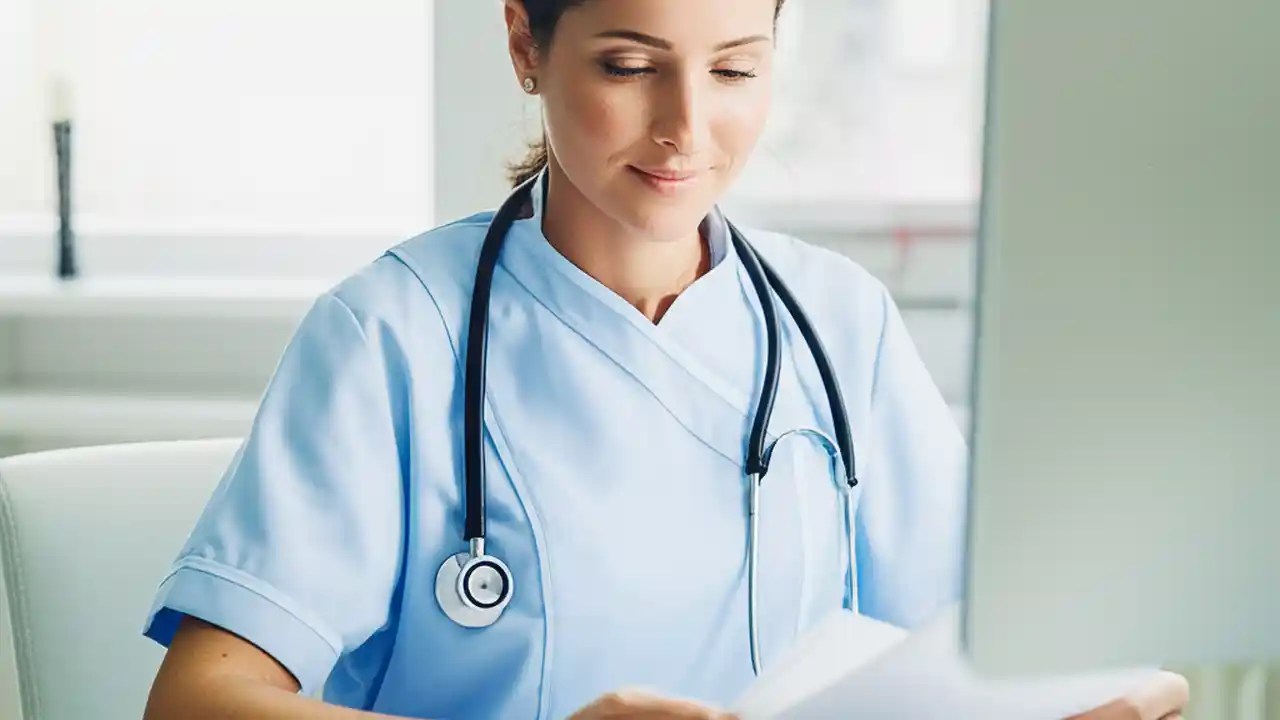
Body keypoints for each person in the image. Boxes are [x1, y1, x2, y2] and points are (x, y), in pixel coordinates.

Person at [140, 1, 1189, 718]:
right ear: (524, 43)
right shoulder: (389, 335)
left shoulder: (838, 322)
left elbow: (979, 643)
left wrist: (1071, 693)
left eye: (735, 67)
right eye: (629, 66)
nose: (688, 126)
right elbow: (197, 703)